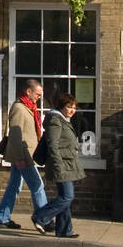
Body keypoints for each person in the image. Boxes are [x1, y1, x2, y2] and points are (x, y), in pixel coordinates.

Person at [0, 78, 49, 231]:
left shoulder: (29, 107)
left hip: (26, 154)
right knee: (37, 186)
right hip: (24, 156)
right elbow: (16, 135)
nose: (39, 97)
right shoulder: (19, 108)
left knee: (14, 186)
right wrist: (20, 158)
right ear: (28, 91)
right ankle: (44, 219)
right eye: (37, 94)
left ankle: (3, 219)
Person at [33, 92, 85, 238]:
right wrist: (58, 166)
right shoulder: (55, 120)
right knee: (67, 197)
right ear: (61, 107)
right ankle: (40, 217)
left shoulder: (64, 120)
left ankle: (65, 231)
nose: (72, 110)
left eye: (74, 107)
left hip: (68, 164)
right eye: (69, 107)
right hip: (61, 165)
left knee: (64, 197)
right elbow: (53, 145)